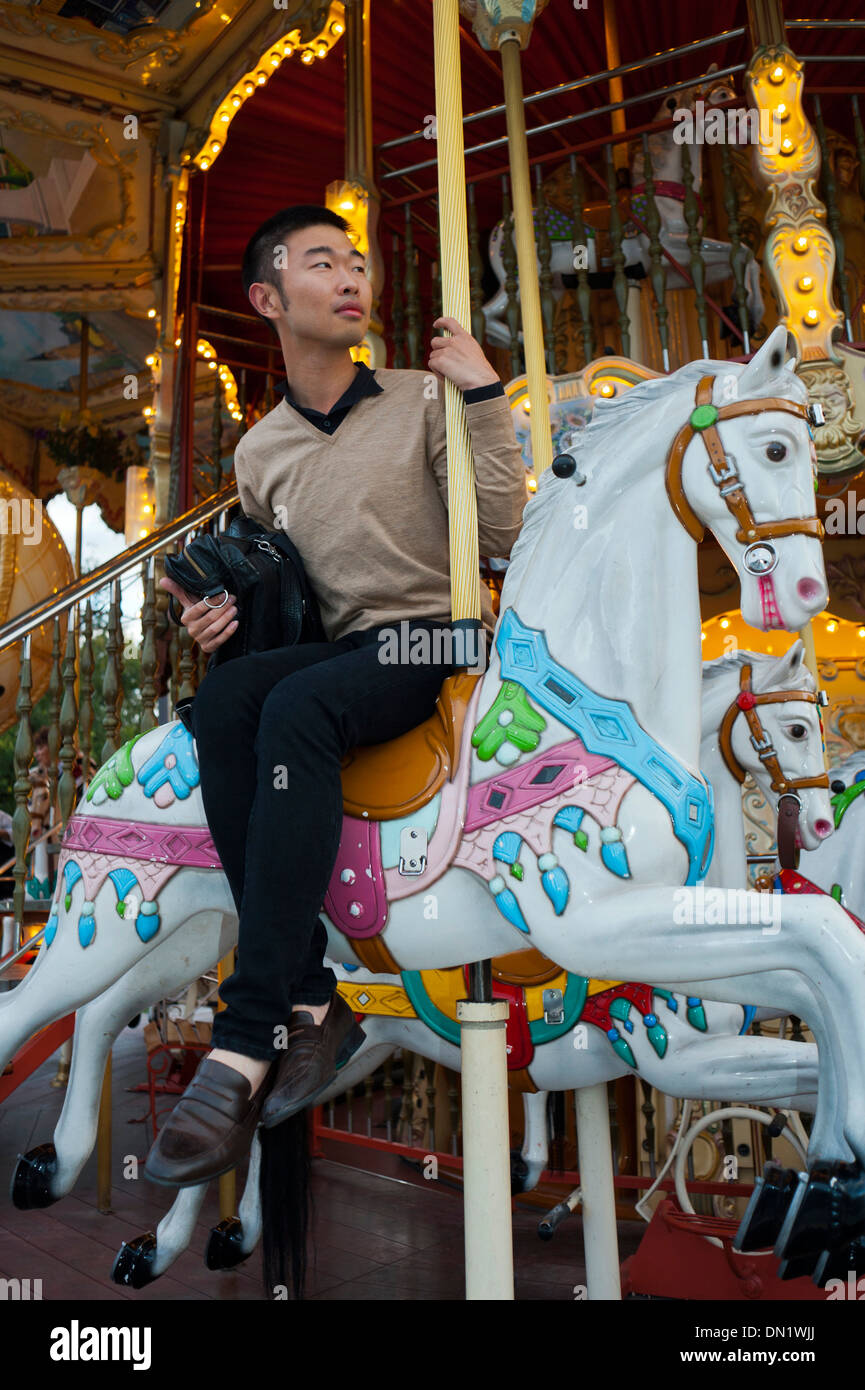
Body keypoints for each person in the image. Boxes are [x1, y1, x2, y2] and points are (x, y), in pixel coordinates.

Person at [145, 204, 527, 1187]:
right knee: (226, 703)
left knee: (296, 707)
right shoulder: (260, 452)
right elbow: (293, 602)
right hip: (344, 651)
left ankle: (247, 1029)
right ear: (270, 298)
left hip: (439, 632)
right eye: (324, 262)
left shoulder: (416, 396)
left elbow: (497, 536)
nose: (353, 276)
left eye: (357, 261)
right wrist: (224, 622)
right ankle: (314, 998)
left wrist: (482, 400)